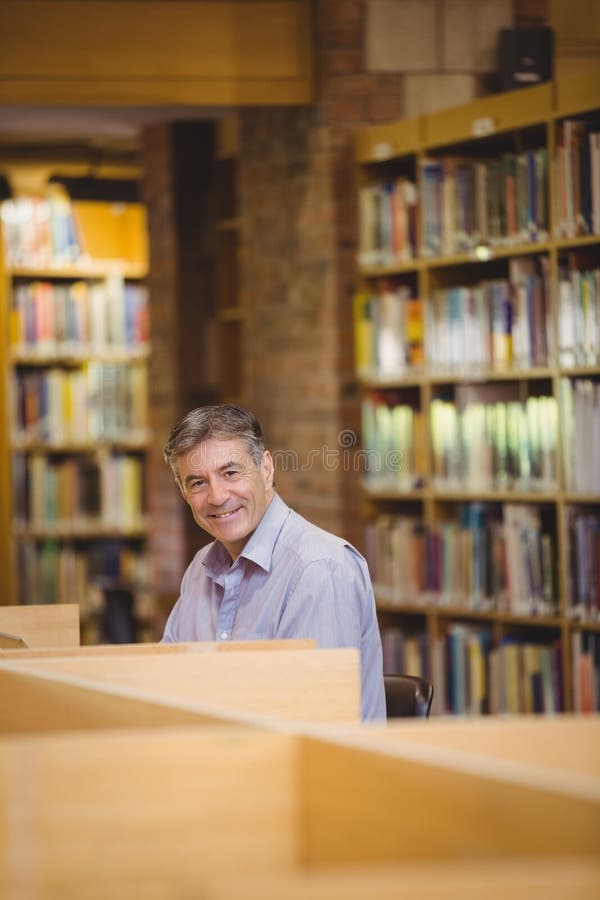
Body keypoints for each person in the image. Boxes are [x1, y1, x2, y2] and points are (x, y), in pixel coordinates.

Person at [161, 404, 386, 721]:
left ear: (266, 469)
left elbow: (315, 720)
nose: (216, 496)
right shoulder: (200, 569)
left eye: (231, 473)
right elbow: (165, 688)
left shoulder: (319, 569)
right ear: (185, 494)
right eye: (198, 482)